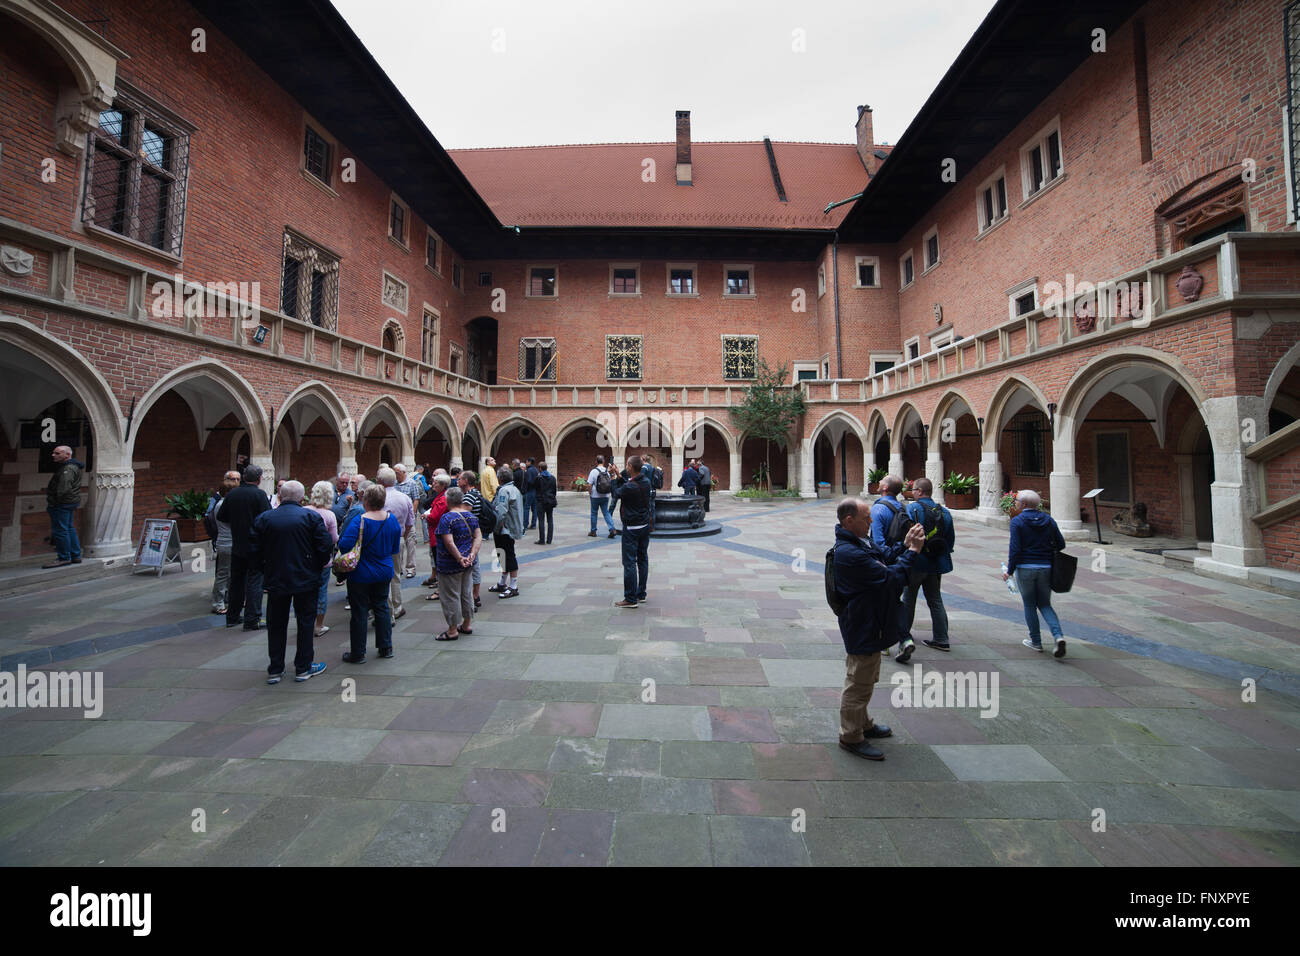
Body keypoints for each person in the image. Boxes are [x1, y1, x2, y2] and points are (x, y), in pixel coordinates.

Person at [832, 496, 927, 760]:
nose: (871, 521)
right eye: (866, 518)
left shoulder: (860, 541)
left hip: (872, 621)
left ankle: (863, 723)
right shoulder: (849, 553)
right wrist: (913, 552)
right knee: (857, 681)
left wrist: (904, 545)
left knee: (867, 676)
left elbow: (883, 555)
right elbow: (891, 579)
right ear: (849, 521)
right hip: (862, 623)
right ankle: (850, 736)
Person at [247, 480, 333, 684]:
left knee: (276, 624)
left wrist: (265, 569)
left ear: (281, 496)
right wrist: (316, 567)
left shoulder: (265, 518)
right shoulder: (310, 516)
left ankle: (275, 669)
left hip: (276, 579)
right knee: (305, 622)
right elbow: (325, 545)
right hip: (305, 578)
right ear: (302, 497)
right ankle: (303, 667)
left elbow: (252, 550)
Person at [337, 483, 402, 663]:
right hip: (384, 570)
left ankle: (358, 653)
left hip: (361, 572)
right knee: (381, 606)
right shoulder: (392, 519)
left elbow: (343, 544)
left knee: (359, 611)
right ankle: (385, 647)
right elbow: (394, 547)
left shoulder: (360, 520)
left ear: (366, 500)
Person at [1003, 489, 1068, 658]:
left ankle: (1036, 641)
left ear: (1024, 504)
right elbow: (1061, 544)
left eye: (1016, 501)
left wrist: (1009, 571)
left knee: (1029, 604)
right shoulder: (1049, 520)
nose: (1015, 503)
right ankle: (1058, 636)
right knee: (1045, 604)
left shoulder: (1017, 522)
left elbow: (1015, 549)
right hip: (1046, 567)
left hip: (1025, 567)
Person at [902, 477, 956, 651]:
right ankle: (942, 639)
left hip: (916, 562)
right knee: (935, 599)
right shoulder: (944, 511)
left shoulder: (913, 508)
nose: (912, 492)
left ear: (919, 491)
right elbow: (950, 540)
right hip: (936, 563)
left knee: (909, 599)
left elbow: (906, 535)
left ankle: (904, 635)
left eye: (913, 490)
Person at [868, 474, 916, 663]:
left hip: (885, 562)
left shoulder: (878, 509)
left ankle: (897, 640)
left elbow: (878, 542)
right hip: (902, 560)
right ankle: (899, 641)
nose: (879, 482)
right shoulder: (903, 508)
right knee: (894, 601)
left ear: (885, 488)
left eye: (882, 481)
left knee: (882, 602)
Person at [217, 464, 271, 630]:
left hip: (237, 544)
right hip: (255, 546)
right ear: (259, 478)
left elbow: (221, 516)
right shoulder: (259, 495)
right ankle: (251, 619)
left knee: (236, 582)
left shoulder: (232, 494)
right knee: (255, 581)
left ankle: (232, 617)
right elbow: (267, 518)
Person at [433, 486, 482, 641]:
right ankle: (466, 624)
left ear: (447, 500)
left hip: (450, 565)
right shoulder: (471, 517)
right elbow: (478, 537)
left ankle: (452, 629)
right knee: (466, 593)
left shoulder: (446, 518)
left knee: (451, 596)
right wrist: (471, 555)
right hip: (468, 563)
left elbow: (448, 542)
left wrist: (459, 558)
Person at [611, 455, 652, 608]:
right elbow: (628, 485)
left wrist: (613, 477)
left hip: (632, 528)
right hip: (644, 526)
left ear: (629, 466)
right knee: (642, 559)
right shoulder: (645, 482)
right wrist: (618, 474)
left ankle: (630, 598)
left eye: (627, 464)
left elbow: (616, 492)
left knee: (629, 563)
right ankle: (641, 594)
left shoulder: (630, 487)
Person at [376, 466, 412, 620]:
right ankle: (397, 607)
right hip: (399, 538)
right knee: (396, 574)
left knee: (383, 575)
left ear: (379, 481)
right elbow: (410, 522)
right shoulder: (404, 497)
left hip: (381, 540)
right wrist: (403, 534)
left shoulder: (379, 498)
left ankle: (387, 610)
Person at [306, 480, 340, 637]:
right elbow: (333, 539)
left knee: (305, 591)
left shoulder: (304, 511)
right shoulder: (329, 515)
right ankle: (318, 625)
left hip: (304, 559)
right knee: (321, 591)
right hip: (323, 560)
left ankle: (305, 622)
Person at [43, 445, 84, 568]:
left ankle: (64, 557)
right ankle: (75, 555)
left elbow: (63, 488)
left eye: (57, 453)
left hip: (62, 503)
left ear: (67, 455)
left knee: (60, 530)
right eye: (54, 453)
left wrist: (55, 502)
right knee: (68, 528)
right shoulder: (70, 467)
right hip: (69, 502)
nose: (53, 455)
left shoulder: (68, 469)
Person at [207, 469, 240, 613]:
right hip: (227, 543)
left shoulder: (222, 504)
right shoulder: (223, 505)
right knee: (223, 574)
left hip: (227, 542)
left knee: (228, 573)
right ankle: (218, 603)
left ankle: (226, 599)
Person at [489, 464, 524, 598]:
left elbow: (501, 512)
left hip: (505, 529)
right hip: (509, 528)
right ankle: (502, 582)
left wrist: (496, 527)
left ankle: (513, 586)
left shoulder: (504, 491)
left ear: (500, 478)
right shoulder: (514, 489)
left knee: (508, 555)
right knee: (501, 555)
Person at [458, 470, 485, 609]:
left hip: (471, 535)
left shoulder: (469, 497)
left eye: (460, 479)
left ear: (466, 481)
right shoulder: (475, 493)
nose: (458, 481)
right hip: (475, 534)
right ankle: (475, 595)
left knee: (473, 563)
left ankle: (474, 595)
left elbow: (463, 515)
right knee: (474, 563)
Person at [422, 474, 451, 598]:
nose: (433, 484)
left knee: (440, 563)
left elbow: (435, 517)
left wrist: (427, 516)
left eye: (436, 483)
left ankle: (441, 590)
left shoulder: (443, 498)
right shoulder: (440, 496)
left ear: (443, 485)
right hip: (436, 534)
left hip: (437, 535)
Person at [393, 464, 422, 578]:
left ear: (403, 472)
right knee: (398, 545)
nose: (396, 475)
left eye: (397, 473)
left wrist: (413, 514)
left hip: (408, 519)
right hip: (397, 520)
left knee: (410, 544)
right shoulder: (394, 484)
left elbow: (416, 499)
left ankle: (410, 568)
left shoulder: (411, 483)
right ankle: (398, 568)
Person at [588, 455, 617, 538]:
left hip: (595, 495)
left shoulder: (593, 471)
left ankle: (593, 531)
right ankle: (612, 529)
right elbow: (611, 480)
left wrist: (590, 493)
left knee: (594, 513)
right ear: (603, 461)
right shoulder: (607, 470)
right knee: (606, 512)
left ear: (596, 462)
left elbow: (589, 484)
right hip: (605, 495)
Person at [535, 460, 557, 544]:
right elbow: (554, 490)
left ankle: (542, 540)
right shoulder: (552, 478)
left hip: (541, 501)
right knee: (550, 519)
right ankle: (549, 539)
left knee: (541, 520)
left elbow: (536, 489)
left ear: (540, 468)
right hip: (550, 501)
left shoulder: (538, 478)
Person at [522, 457, 540, 531]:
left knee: (526, 508)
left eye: (526, 462)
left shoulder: (529, 470)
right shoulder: (536, 470)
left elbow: (529, 481)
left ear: (529, 462)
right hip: (535, 491)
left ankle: (525, 524)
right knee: (534, 508)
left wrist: (526, 488)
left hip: (530, 491)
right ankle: (533, 524)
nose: (526, 463)